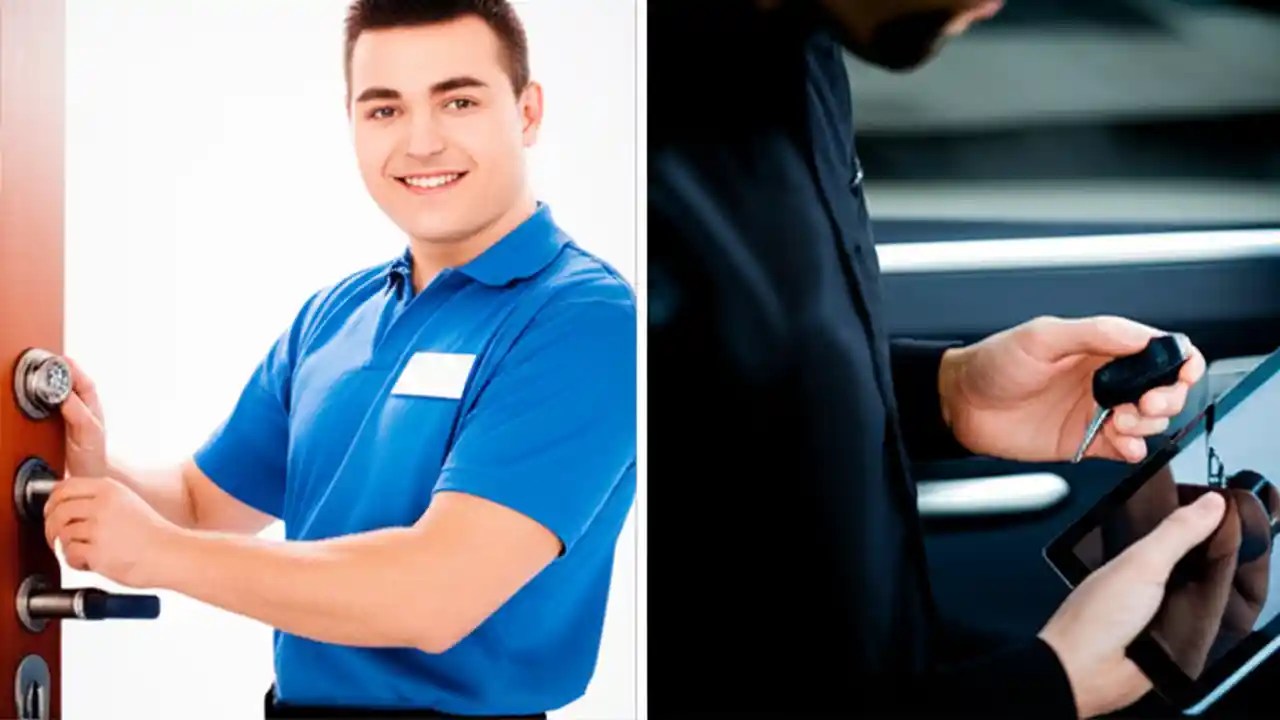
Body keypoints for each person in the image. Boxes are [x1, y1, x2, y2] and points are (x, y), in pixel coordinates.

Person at [42, 2, 636, 718]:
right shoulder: (335, 315)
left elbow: (435, 594)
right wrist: (90, 465)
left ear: (528, 112)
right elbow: (204, 503)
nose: (421, 143)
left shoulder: (583, 320)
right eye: (384, 110)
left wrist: (157, 555)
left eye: (458, 100)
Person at [648, 1, 1221, 717]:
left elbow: (703, 418)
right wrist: (1047, 688)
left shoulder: (802, 54)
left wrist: (943, 394)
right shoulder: (609, 135)